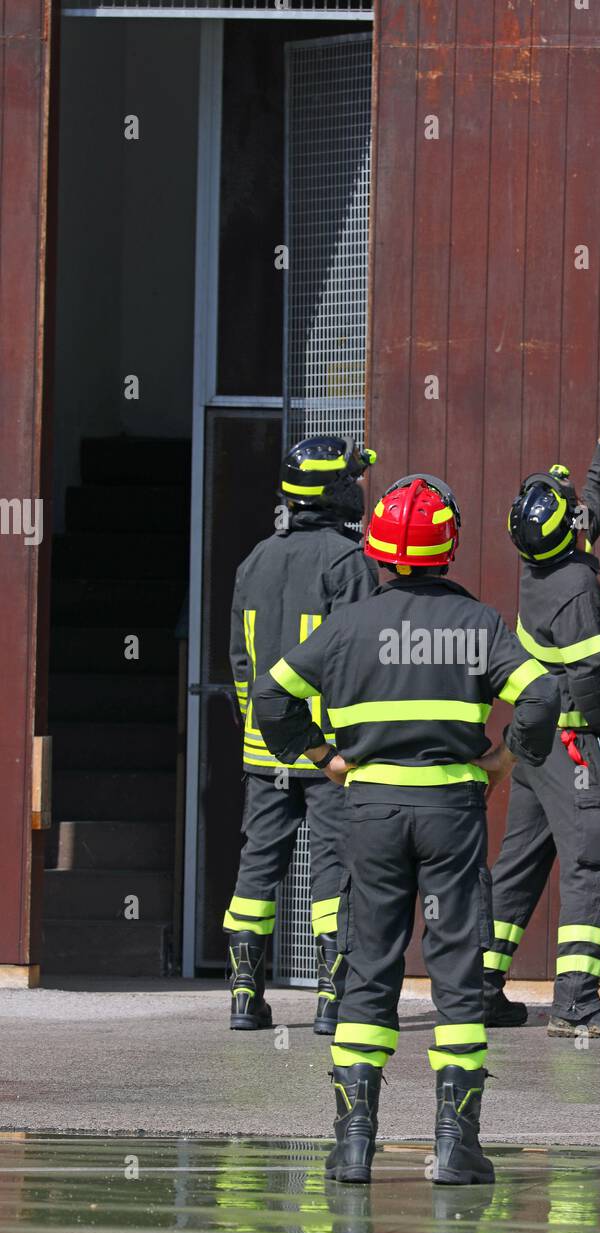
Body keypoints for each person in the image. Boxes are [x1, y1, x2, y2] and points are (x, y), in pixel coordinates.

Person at [252, 474, 560, 1183]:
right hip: (452, 813)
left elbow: (271, 693)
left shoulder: (348, 626)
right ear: (448, 548)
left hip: (369, 813)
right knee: (456, 972)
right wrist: (505, 757)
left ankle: (353, 1143)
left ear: (379, 551)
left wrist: (326, 758)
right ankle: (455, 1146)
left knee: (369, 966)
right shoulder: (480, 625)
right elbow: (541, 694)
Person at [485, 388, 600, 1038]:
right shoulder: (576, 589)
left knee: (520, 863)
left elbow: (593, 508)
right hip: (572, 743)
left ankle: (478, 986)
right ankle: (576, 1000)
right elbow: (587, 690)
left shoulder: (542, 563)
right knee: (592, 859)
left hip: (532, 742)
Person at [224, 435, 377, 1033]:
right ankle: (330, 1000)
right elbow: (361, 660)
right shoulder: (349, 563)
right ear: (337, 492)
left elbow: (242, 663)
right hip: (332, 753)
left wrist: (260, 732)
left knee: (258, 865)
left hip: (266, 751)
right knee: (333, 867)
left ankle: (243, 996)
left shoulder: (255, 560)